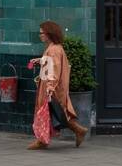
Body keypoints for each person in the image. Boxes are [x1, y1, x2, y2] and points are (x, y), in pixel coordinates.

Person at [28, 20, 88, 149]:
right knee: (55, 112)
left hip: (50, 87)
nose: (40, 35)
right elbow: (51, 63)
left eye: (42, 33)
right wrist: (40, 60)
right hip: (51, 86)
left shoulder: (54, 49)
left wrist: (50, 87)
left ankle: (42, 140)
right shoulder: (54, 48)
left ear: (49, 34)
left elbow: (54, 69)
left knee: (47, 111)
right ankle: (78, 131)